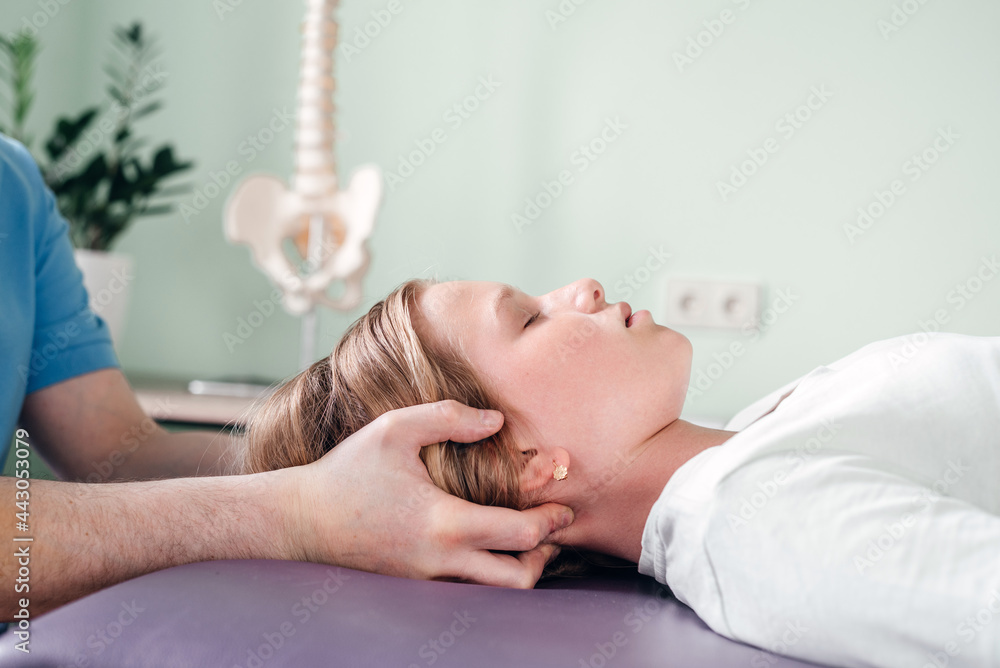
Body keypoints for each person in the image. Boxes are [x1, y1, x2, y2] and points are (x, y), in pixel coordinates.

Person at [236, 276, 1000, 668]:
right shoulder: (754, 517)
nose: (585, 289)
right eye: (531, 317)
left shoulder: (742, 446)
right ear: (525, 464)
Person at [0, 133, 572, 623]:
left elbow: (120, 453)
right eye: (526, 319)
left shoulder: (15, 186)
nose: (587, 291)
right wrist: (297, 512)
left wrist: (343, 470)